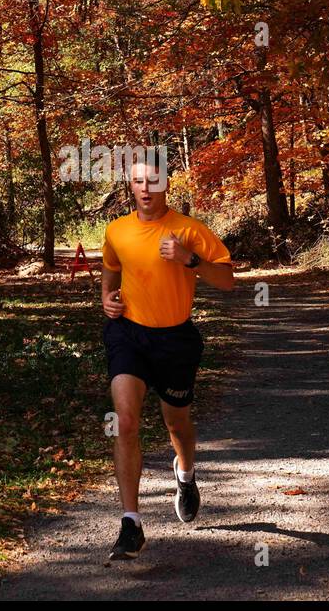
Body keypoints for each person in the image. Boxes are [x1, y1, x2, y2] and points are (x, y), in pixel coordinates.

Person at [100, 152, 235, 560]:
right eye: (138, 181)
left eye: (153, 181)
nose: (145, 189)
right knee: (124, 419)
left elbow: (228, 279)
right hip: (129, 335)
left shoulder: (188, 230)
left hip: (175, 339)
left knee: (177, 422)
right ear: (130, 185)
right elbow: (110, 267)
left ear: (166, 186)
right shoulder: (117, 229)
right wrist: (107, 299)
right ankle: (131, 523)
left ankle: (186, 473)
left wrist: (189, 260)